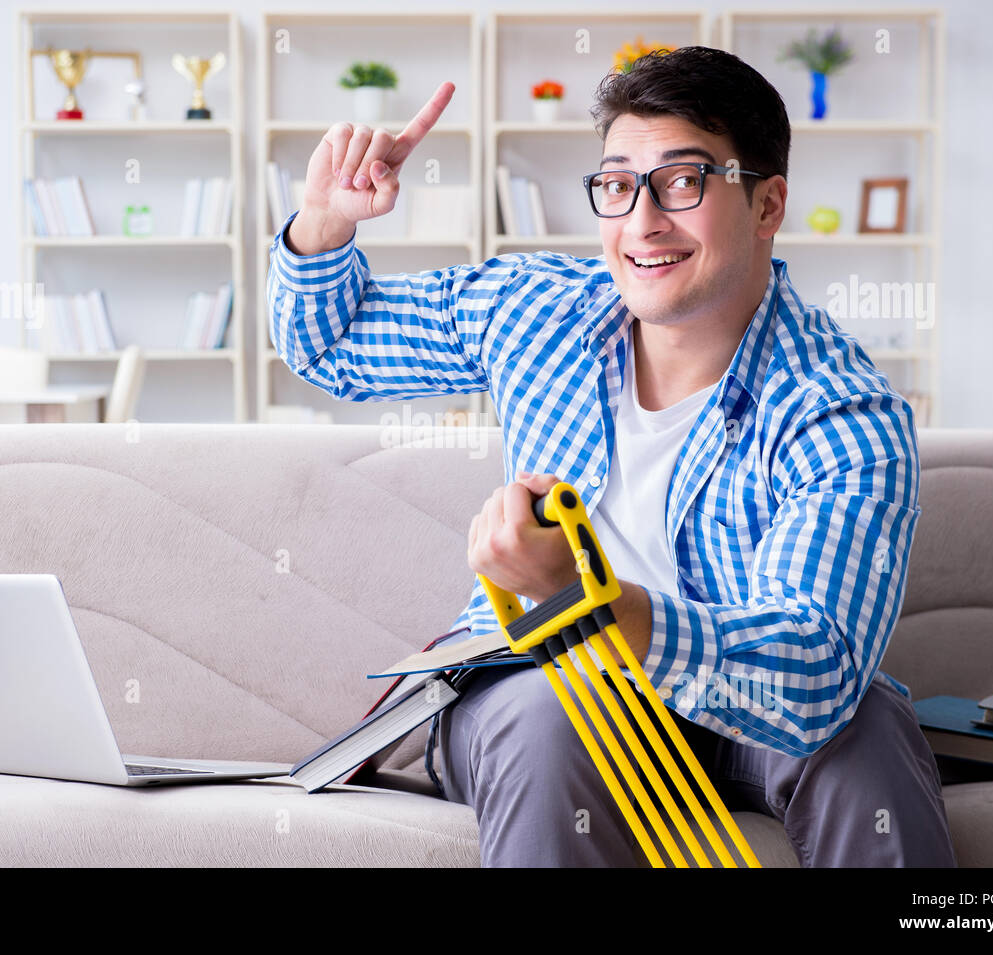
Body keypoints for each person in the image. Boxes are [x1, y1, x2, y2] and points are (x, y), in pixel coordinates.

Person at [266, 46, 955, 868]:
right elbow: (331, 342)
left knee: (869, 730)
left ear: (767, 204)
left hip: (738, 709)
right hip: (539, 690)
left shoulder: (840, 408)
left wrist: (585, 597)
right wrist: (325, 224)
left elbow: (815, 670)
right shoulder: (535, 310)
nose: (643, 222)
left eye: (684, 181)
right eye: (619, 184)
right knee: (551, 717)